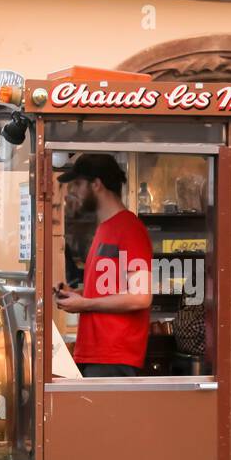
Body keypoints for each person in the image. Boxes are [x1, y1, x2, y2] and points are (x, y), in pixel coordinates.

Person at [53, 153, 153, 377]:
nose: (73, 192)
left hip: (114, 356)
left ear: (96, 184)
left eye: (78, 184)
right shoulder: (105, 228)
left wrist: (85, 303)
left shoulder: (129, 229)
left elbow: (140, 296)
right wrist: (77, 294)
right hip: (98, 353)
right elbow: (110, 288)